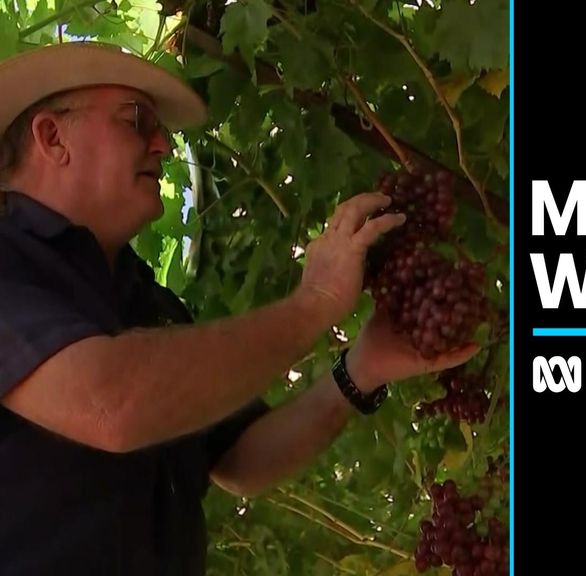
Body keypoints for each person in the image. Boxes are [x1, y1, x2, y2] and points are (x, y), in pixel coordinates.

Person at [0, 42, 479, 575]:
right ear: (51, 136)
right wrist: (314, 303)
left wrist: (364, 368)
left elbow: (239, 460)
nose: (163, 145)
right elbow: (110, 404)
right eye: (136, 121)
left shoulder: (148, 303)